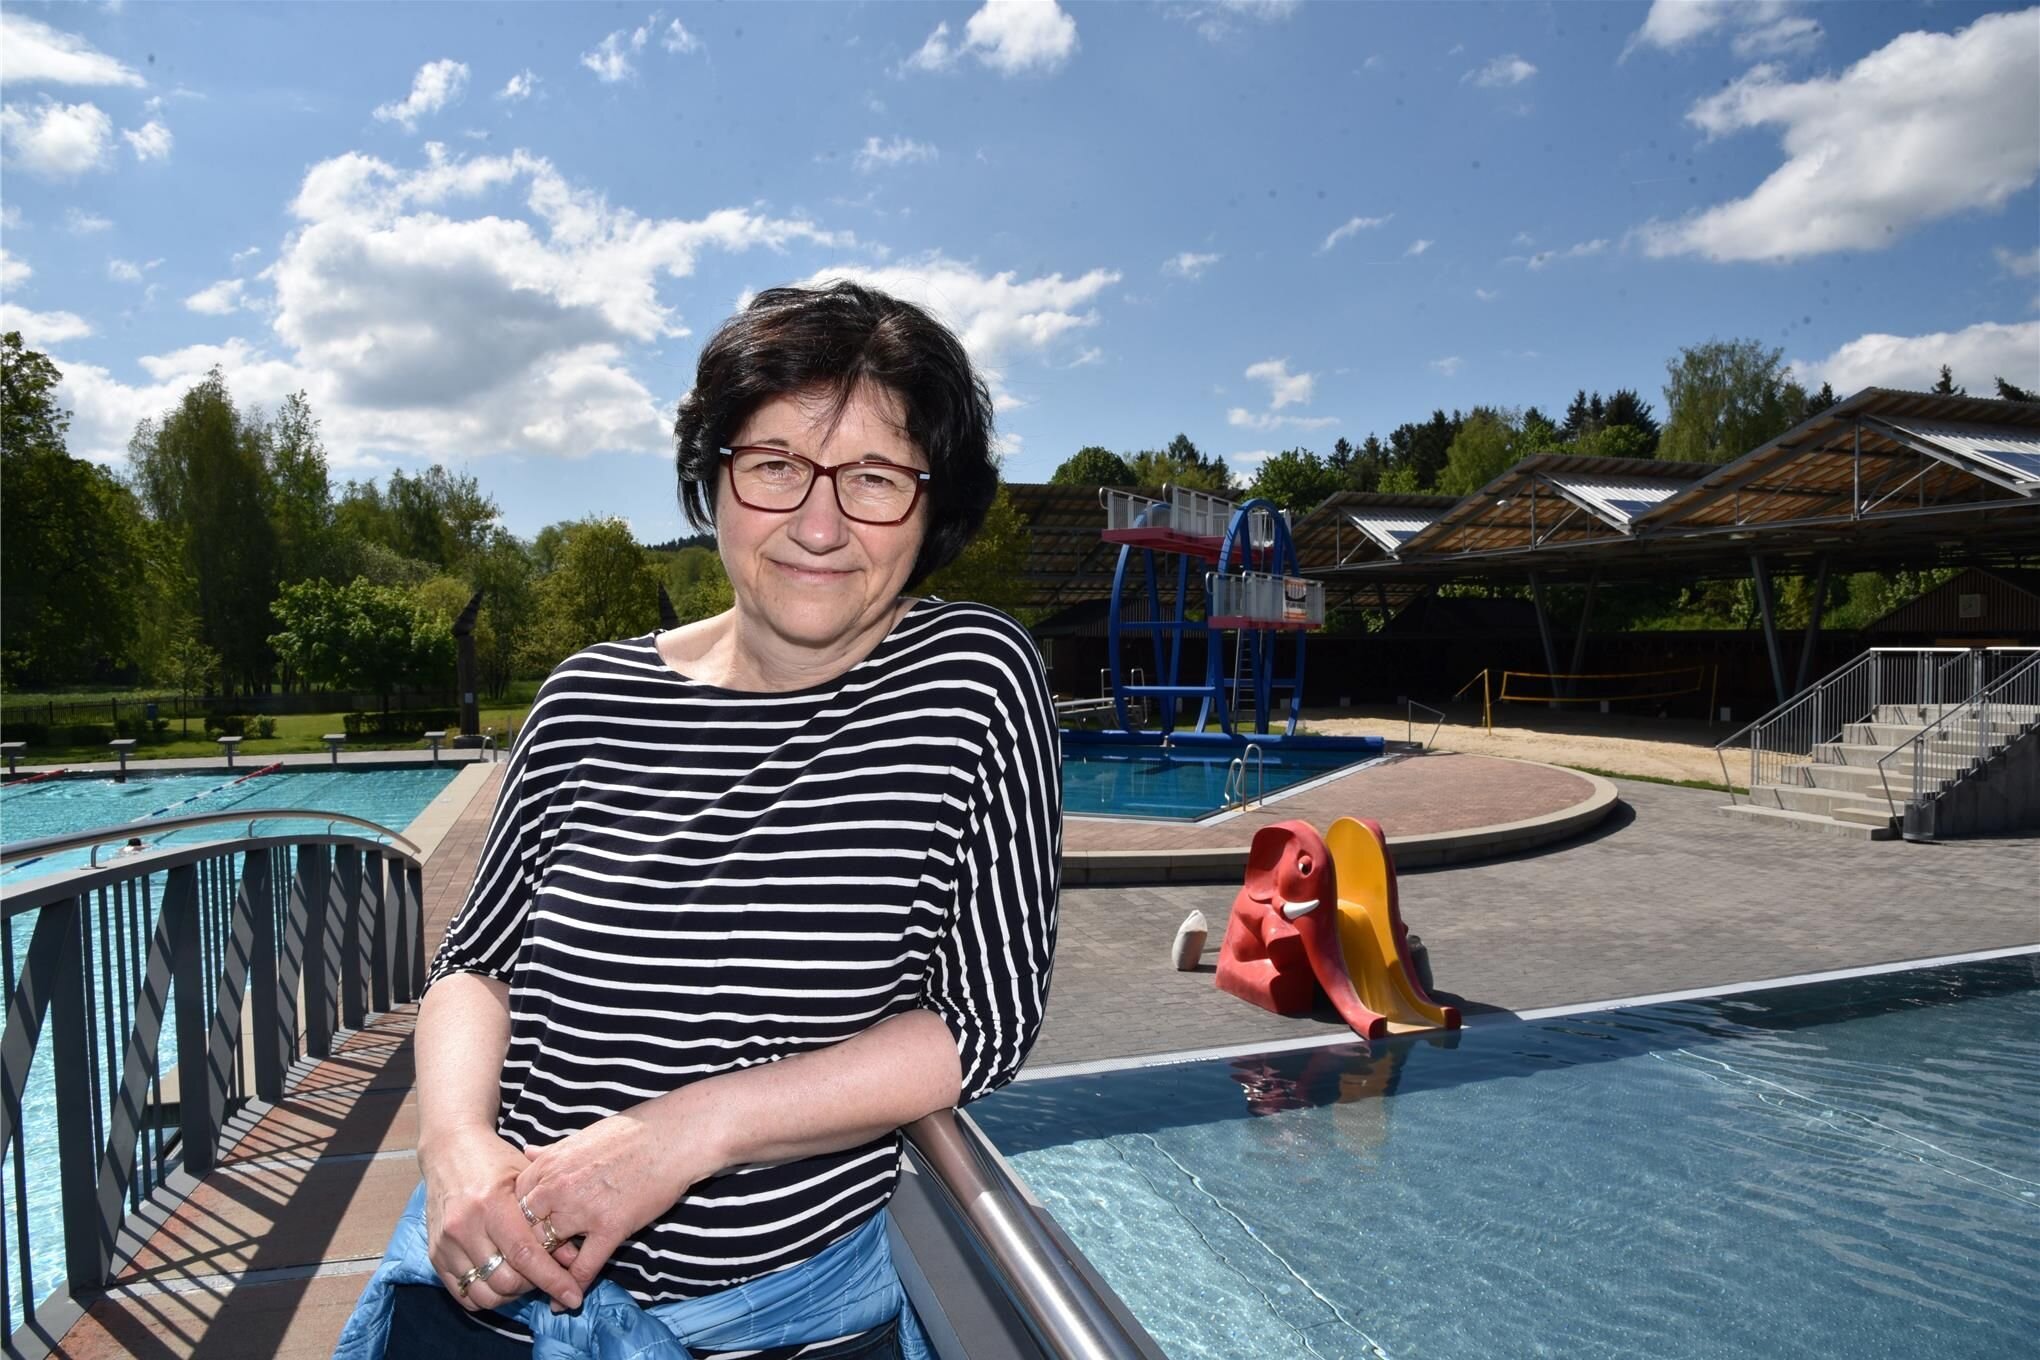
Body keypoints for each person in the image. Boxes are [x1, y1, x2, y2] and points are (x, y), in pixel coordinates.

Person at [337, 281, 1061, 1360]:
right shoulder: (585, 697)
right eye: (775, 466)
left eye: (873, 478)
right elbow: (476, 963)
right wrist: (454, 1150)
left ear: (931, 504)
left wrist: (680, 1136)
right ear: (712, 475)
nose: (820, 524)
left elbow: (982, 1017)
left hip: (784, 1326)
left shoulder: (970, 681)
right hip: (490, 1294)